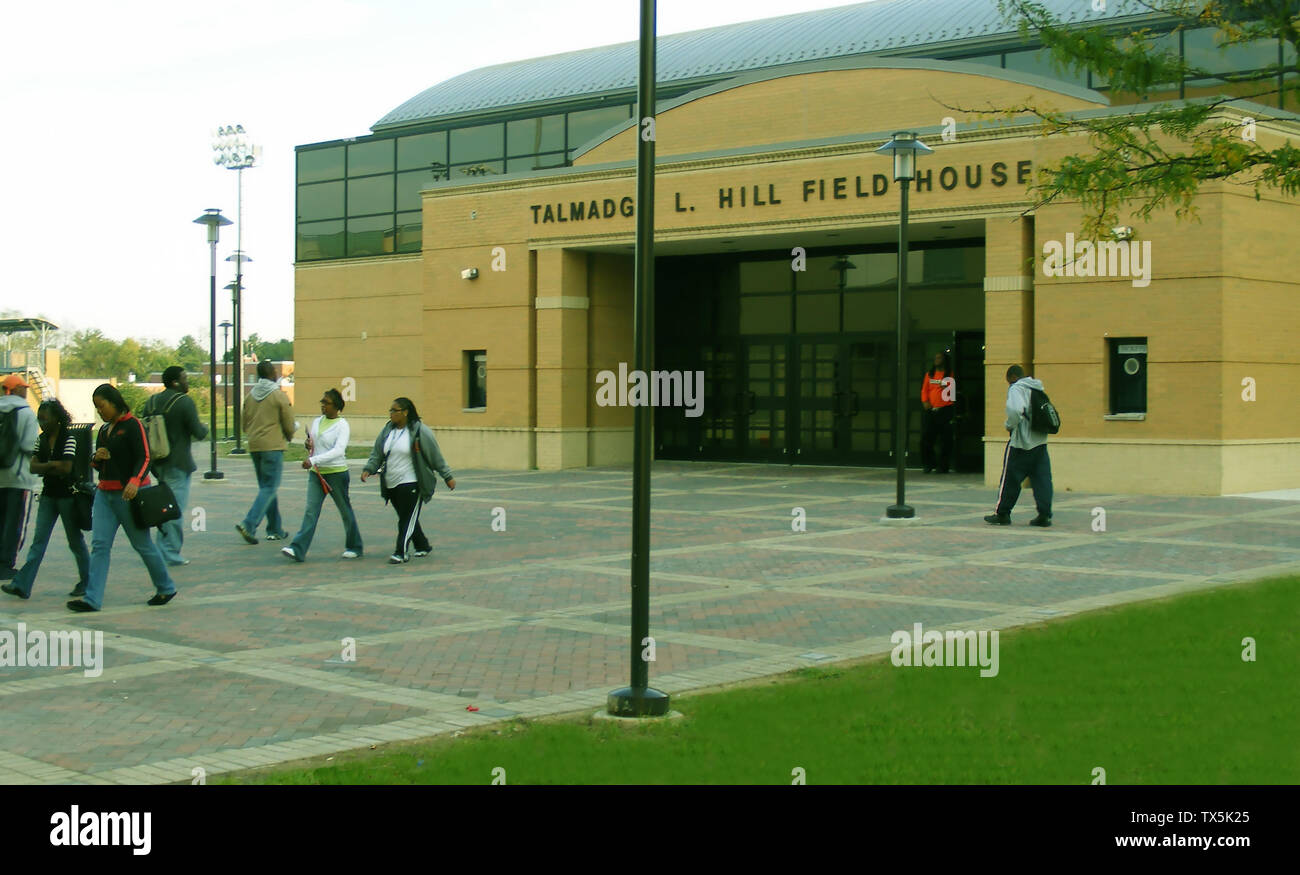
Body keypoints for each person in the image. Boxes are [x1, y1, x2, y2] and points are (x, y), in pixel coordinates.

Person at [69, 383, 178, 611]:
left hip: (128, 496)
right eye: (97, 408)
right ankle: (92, 598)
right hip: (104, 494)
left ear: (114, 401)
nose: (100, 411)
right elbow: (98, 464)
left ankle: (165, 586)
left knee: (142, 544)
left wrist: (135, 480)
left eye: (102, 406)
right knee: (99, 545)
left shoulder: (133, 425)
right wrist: (97, 457)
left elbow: (145, 457)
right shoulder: (104, 430)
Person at [2, 399, 90, 599]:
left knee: (75, 541)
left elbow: (67, 468)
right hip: (49, 496)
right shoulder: (41, 439)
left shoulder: (69, 438)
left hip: (68, 496)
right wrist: (53, 465)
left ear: (57, 418)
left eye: (45, 419)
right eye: (39, 419)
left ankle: (87, 581)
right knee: (38, 542)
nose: (42, 423)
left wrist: (47, 465)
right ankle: (22, 585)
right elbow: (32, 467)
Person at [361, 397, 456, 564]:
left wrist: (447, 476)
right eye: (390, 410)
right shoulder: (387, 431)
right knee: (407, 516)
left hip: (412, 481)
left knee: (406, 519)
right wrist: (368, 469)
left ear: (405, 412)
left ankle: (401, 552)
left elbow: (435, 456)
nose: (390, 414)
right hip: (391, 482)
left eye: (394, 410)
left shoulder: (420, 431)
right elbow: (377, 453)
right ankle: (422, 545)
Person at [280, 388, 362, 562]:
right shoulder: (317, 422)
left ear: (337, 406)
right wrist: (308, 445)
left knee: (345, 511)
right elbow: (315, 444)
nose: (323, 406)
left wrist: (314, 460)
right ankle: (298, 548)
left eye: (327, 403)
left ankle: (355, 546)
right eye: (322, 402)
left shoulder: (342, 425)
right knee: (311, 511)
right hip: (316, 475)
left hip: (336, 474)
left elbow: (338, 451)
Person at [146, 366, 208, 566]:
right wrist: (205, 428)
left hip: (157, 463)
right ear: (175, 382)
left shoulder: (151, 402)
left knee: (164, 508)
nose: (186, 381)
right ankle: (170, 553)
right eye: (184, 378)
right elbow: (198, 431)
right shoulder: (184, 402)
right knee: (174, 509)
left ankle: (160, 549)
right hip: (178, 463)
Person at [236, 360, 296, 544]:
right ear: (272, 374)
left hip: (255, 446)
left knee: (267, 488)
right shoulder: (278, 395)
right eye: (275, 371)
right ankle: (249, 524)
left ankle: (275, 528)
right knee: (270, 487)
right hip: (273, 447)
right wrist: (289, 435)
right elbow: (288, 423)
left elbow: (244, 424)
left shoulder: (250, 396)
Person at [986, 364, 1053, 527]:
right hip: (1040, 442)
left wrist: (1009, 424)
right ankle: (1044, 515)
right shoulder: (1037, 388)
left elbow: (1015, 411)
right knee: (1042, 479)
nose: (1009, 385)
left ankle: (1002, 513)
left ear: (1013, 377)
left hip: (1021, 443)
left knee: (1010, 479)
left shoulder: (1017, 388)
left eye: (1008, 381)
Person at [0, 373, 40, 580]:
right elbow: (29, 446)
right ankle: (6, 565)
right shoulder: (26, 413)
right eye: (23, 388)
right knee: (15, 523)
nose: (26, 391)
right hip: (19, 477)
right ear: (15, 390)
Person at [920, 351, 955, 474]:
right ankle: (928, 464)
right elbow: (924, 390)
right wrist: (925, 401)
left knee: (945, 440)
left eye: (939, 358)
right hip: (931, 410)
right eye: (935, 358)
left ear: (944, 360)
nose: (936, 360)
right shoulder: (929, 374)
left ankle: (943, 466)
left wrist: (946, 386)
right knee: (926, 439)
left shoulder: (950, 374)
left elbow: (952, 394)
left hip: (945, 410)